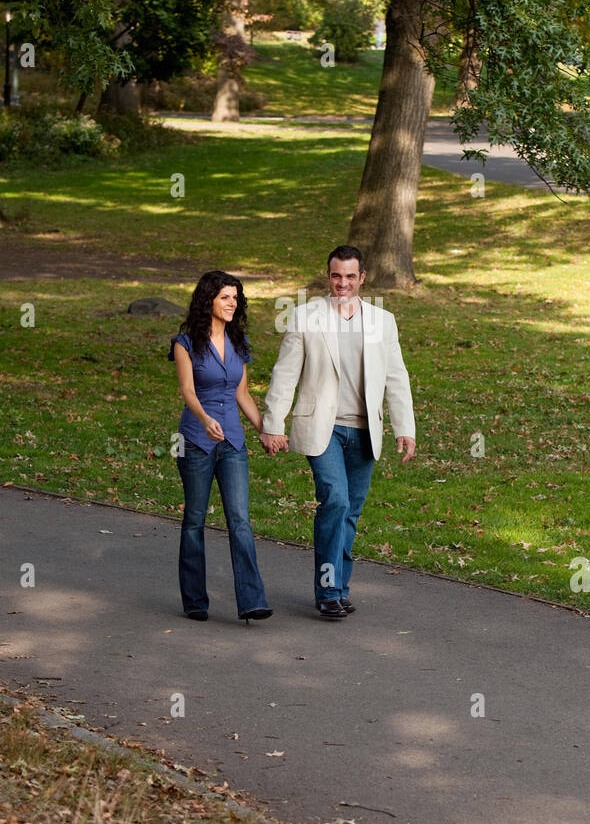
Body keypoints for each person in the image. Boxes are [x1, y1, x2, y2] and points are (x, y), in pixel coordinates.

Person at [260, 246, 416, 620]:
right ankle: (328, 590)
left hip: (365, 431)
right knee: (336, 501)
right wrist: (272, 424)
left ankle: (339, 589)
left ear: (362, 278)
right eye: (335, 276)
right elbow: (285, 374)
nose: (342, 283)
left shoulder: (383, 320)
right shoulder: (305, 317)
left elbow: (396, 376)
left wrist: (404, 427)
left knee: (351, 513)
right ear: (327, 276)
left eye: (350, 276)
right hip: (323, 429)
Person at [169, 270, 272, 624]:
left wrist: (266, 430)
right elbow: (187, 391)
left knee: (240, 520)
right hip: (197, 441)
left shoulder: (238, 343)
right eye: (226, 297)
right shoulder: (185, 343)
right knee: (195, 520)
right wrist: (204, 419)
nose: (232, 303)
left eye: (235, 298)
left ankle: (252, 601)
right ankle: (195, 600)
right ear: (208, 300)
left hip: (233, 443)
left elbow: (242, 393)